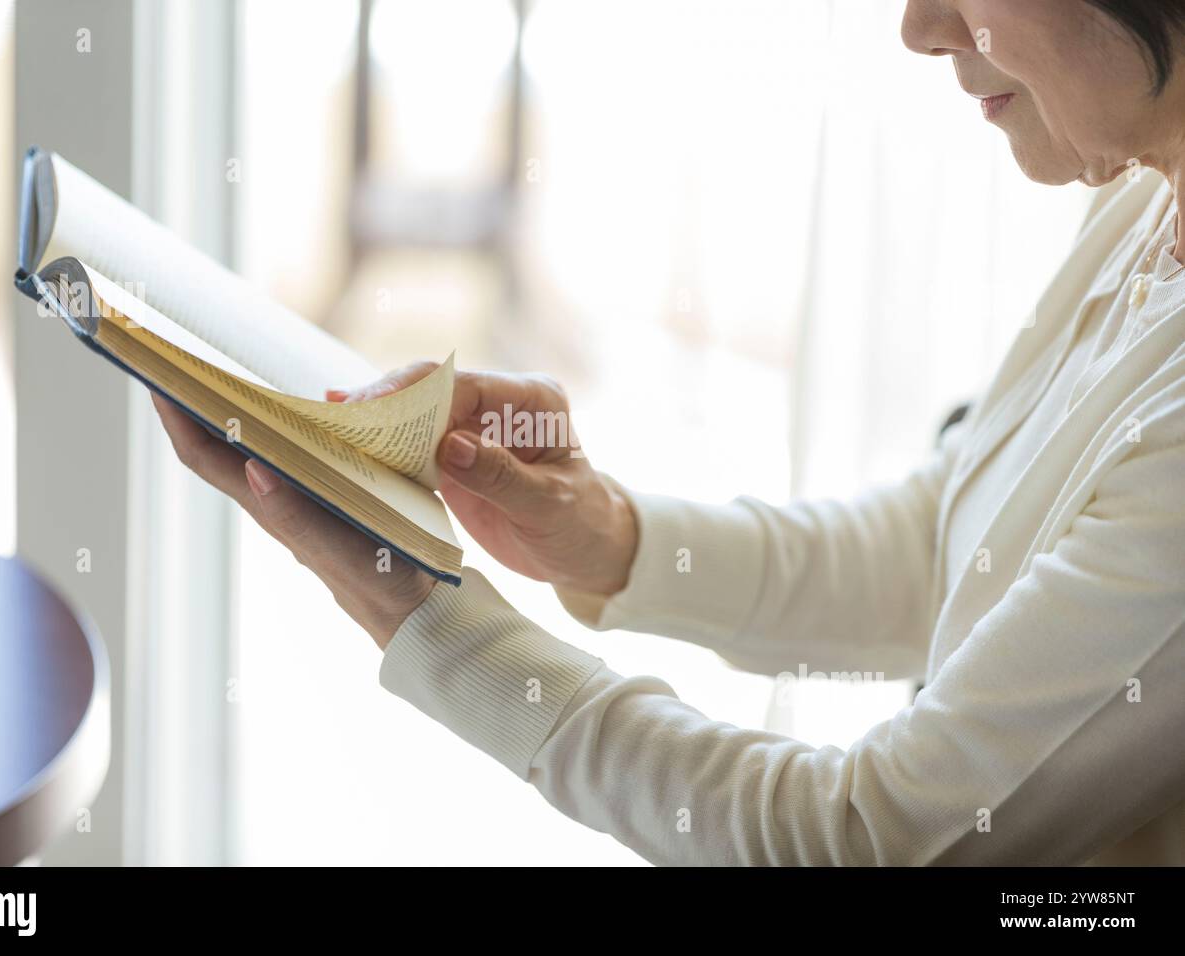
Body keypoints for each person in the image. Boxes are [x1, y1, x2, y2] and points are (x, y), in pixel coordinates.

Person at [153, 0, 1185, 865]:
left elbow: (867, 839)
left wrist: (418, 612)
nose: (919, 27)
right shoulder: (1144, 193)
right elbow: (950, 547)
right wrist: (607, 535)